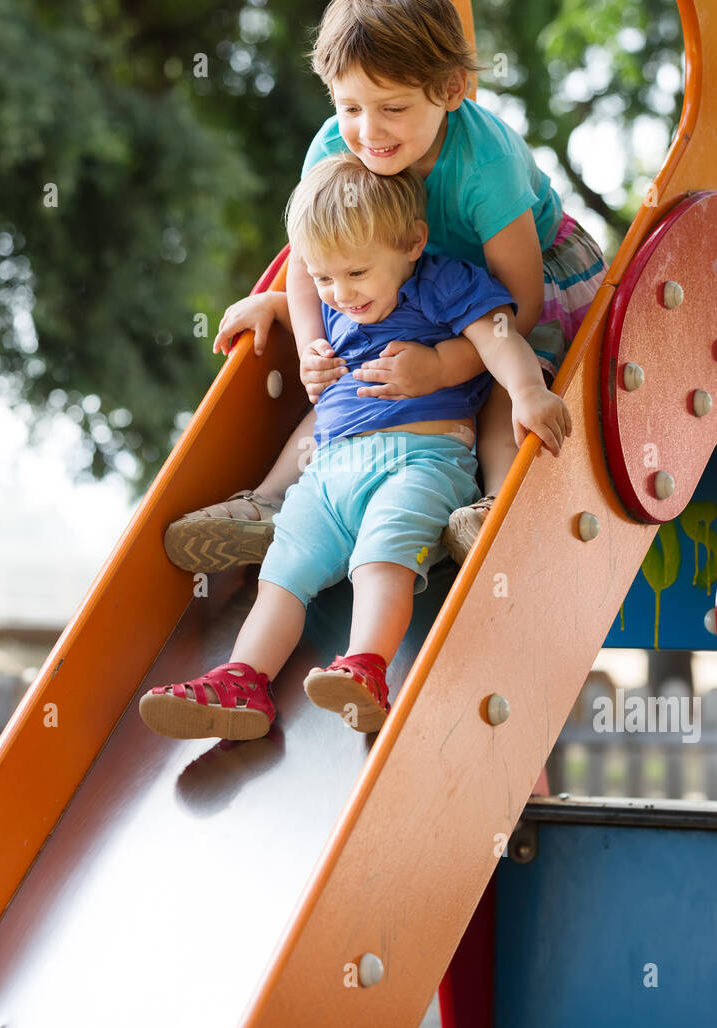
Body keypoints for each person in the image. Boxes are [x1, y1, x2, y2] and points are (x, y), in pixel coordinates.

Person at [163, 0, 606, 574]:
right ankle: (269, 505)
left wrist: (443, 366)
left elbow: (518, 308)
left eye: (393, 108)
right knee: (348, 378)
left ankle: (496, 506)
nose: (368, 132)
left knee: (509, 381)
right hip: (403, 276)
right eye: (349, 108)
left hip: (514, 283)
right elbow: (307, 256)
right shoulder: (333, 148)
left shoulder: (486, 163)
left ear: (450, 90)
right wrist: (312, 345)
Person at [139, 154, 570, 741]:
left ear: (412, 243)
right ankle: (243, 679)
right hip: (329, 471)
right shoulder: (336, 308)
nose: (339, 293)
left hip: (423, 458)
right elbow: (301, 304)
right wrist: (270, 305)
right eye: (323, 279)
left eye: (355, 274)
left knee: (381, 556)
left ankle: (366, 666)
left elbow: (500, 336)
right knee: (282, 572)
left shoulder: (443, 282)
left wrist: (526, 391)